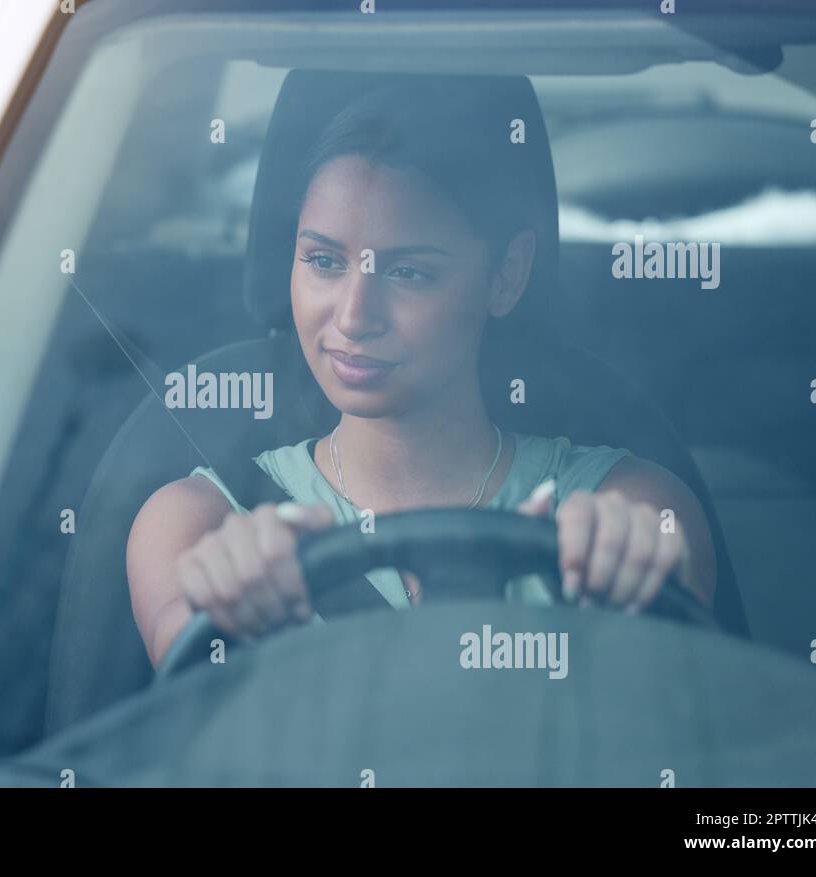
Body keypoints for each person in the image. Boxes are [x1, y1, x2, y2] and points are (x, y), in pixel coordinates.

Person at [126, 83, 716, 668]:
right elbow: (190, 689)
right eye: (324, 261)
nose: (354, 317)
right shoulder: (201, 524)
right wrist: (239, 611)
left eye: (409, 272)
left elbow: (659, 715)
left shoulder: (626, 509)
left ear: (507, 276)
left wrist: (627, 578)